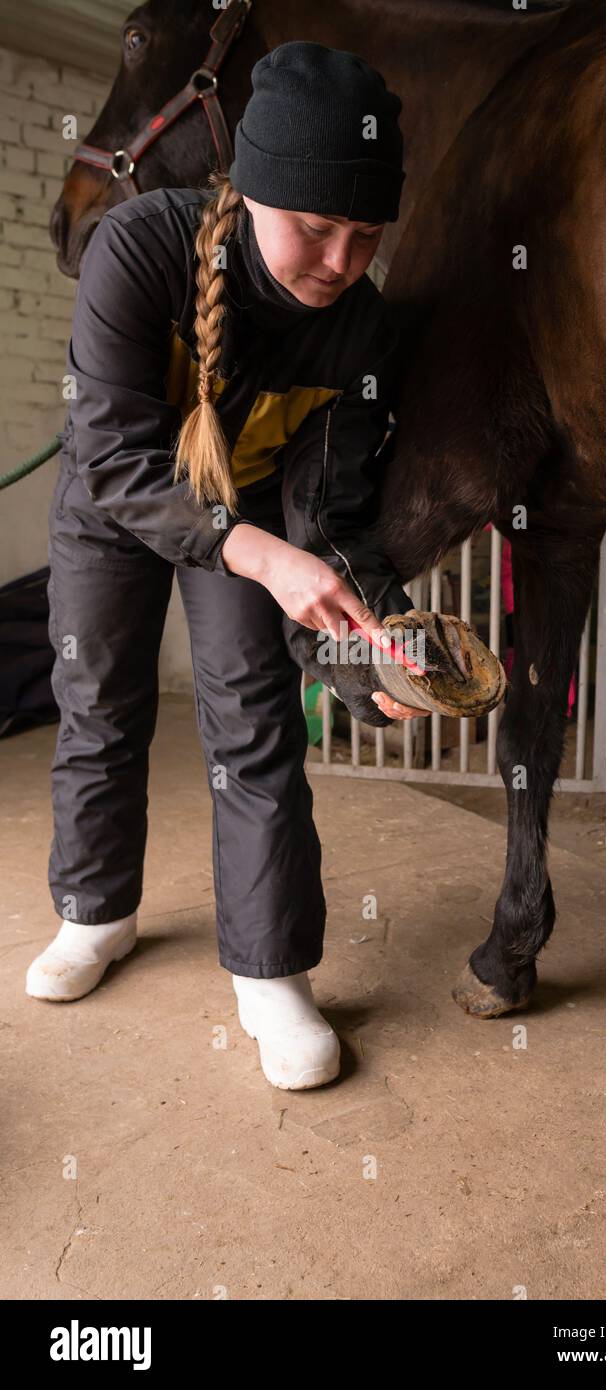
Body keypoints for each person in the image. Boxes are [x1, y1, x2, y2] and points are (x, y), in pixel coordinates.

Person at [26, 41, 429, 1091]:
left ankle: (271, 971)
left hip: (245, 510)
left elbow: (331, 516)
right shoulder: (136, 246)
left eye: (366, 233)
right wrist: (253, 552)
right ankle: (94, 913)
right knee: (100, 702)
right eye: (314, 227)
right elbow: (113, 455)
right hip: (115, 498)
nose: (340, 261)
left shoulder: (362, 332)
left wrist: (368, 652)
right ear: (246, 191)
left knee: (253, 728)